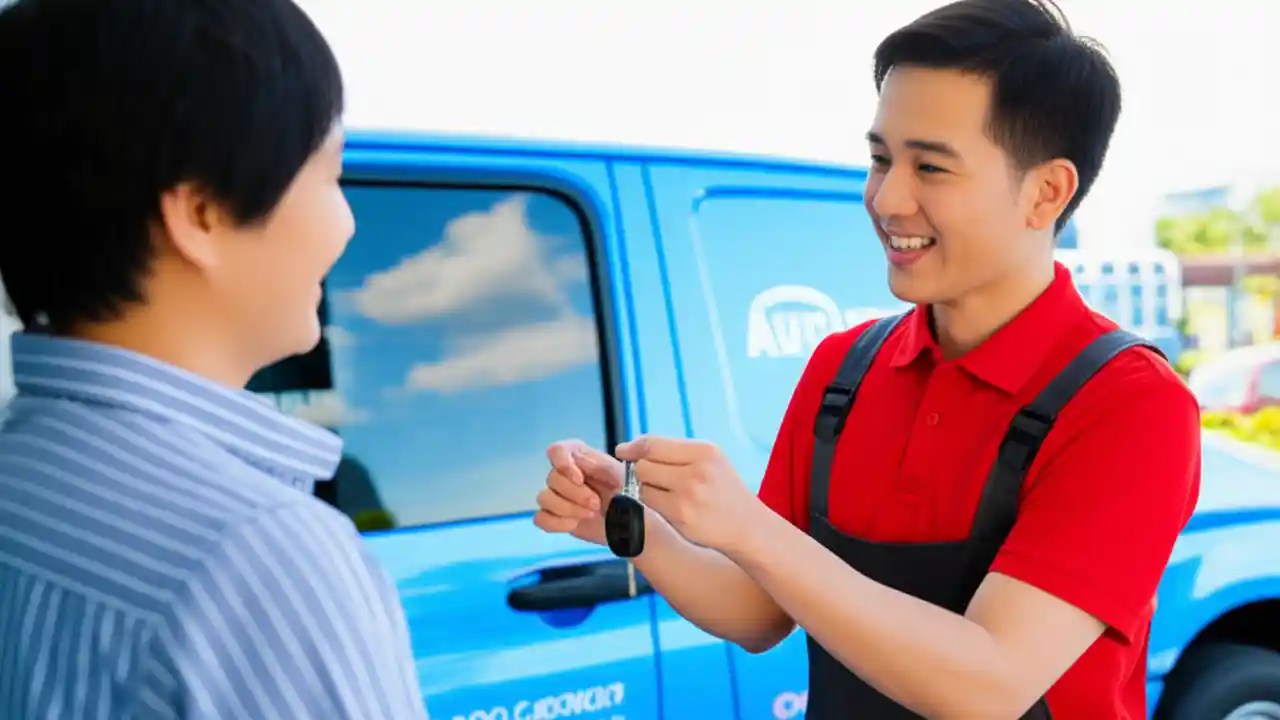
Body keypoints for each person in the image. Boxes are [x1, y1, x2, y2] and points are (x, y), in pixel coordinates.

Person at [534, 0, 1200, 717]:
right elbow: (759, 612)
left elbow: (989, 683)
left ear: (1047, 192)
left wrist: (749, 528)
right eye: (880, 158)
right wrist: (638, 530)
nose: (887, 198)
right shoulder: (842, 373)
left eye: (931, 168)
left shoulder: (1129, 403)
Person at [0, 1, 428, 718]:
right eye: (328, 175)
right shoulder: (260, 555)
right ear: (201, 212)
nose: (348, 223)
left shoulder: (23, 472)